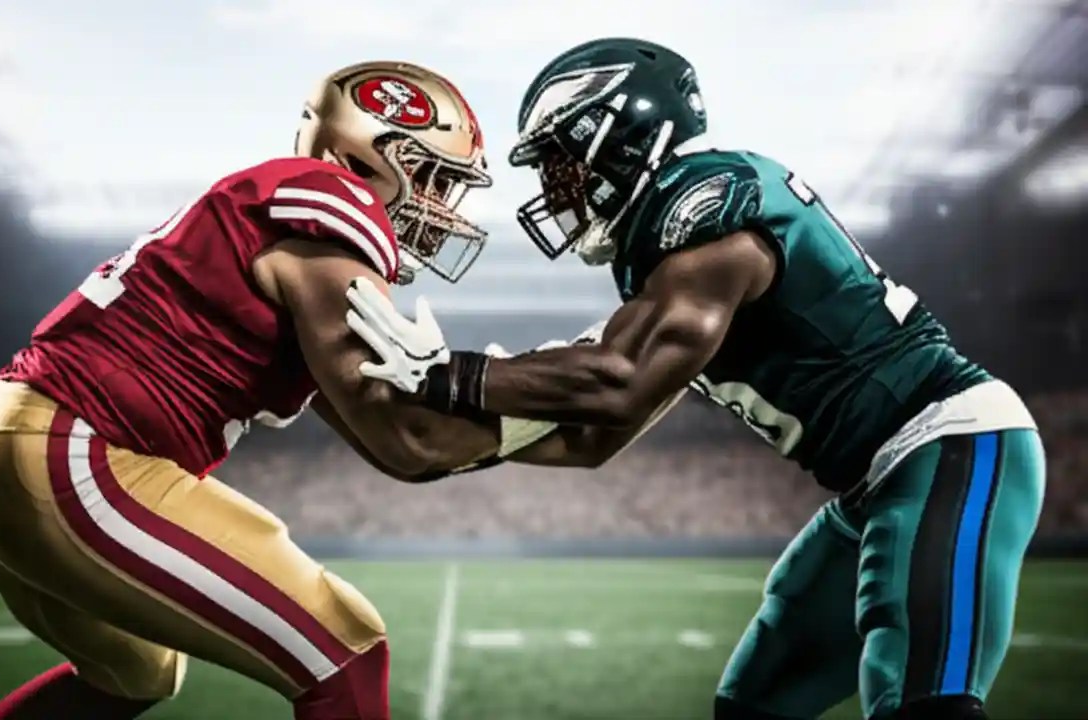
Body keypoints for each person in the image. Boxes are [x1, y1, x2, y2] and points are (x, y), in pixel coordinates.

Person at [343, 38, 1046, 720]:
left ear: (617, 133)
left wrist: (453, 376)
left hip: (949, 443)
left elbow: (617, 381)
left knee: (926, 705)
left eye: (560, 159)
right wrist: (446, 443)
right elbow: (592, 437)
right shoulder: (665, 260)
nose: (556, 186)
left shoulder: (710, 205)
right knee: (755, 702)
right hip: (875, 484)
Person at [0, 60, 506, 720]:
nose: (443, 206)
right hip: (75, 449)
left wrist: (520, 423)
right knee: (345, 649)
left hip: (0, 436)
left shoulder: (266, 235)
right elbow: (409, 436)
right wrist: (547, 400)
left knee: (135, 672)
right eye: (434, 177)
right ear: (363, 152)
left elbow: (398, 445)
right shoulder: (329, 201)